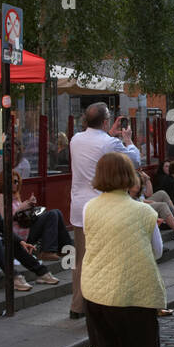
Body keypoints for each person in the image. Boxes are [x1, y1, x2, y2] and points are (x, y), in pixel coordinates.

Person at [80, 151, 167, 347]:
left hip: (94, 292)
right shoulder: (144, 212)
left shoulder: (90, 208)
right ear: (130, 177)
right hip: (132, 294)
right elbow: (157, 252)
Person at [69, 102, 141, 320]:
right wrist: (127, 139)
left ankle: (77, 305)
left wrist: (109, 133)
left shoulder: (75, 139)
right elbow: (135, 160)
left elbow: (95, 145)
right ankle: (99, 305)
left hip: (78, 207)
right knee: (102, 258)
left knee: (80, 258)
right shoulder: (109, 143)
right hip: (100, 208)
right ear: (105, 121)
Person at [0, 183, 59, 291]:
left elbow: (5, 229)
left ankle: (42, 272)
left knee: (12, 242)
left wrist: (21, 242)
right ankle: (14, 277)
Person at [7, 170, 72, 260]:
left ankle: (65, 248)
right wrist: (21, 208)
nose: (15, 184)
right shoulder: (2, 197)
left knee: (57, 212)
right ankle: (47, 251)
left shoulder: (16, 196)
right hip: (19, 237)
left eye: (16, 181)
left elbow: (20, 216)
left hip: (27, 229)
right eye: (11, 182)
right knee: (52, 214)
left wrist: (29, 204)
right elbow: (4, 221)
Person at [133, 170, 174, 239]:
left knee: (162, 193)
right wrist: (151, 202)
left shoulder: (138, 177)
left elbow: (149, 194)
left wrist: (147, 179)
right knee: (162, 205)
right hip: (137, 206)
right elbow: (135, 201)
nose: (141, 171)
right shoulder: (132, 180)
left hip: (141, 202)